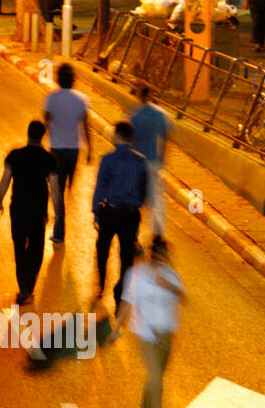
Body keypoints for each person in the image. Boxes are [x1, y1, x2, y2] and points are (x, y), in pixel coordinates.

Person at [108, 242, 186, 408]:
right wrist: (117, 329)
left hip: (166, 334)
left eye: (166, 257)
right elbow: (127, 301)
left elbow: (183, 297)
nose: (164, 260)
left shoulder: (170, 275)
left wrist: (166, 283)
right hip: (146, 334)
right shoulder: (139, 274)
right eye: (160, 256)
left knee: (155, 378)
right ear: (154, 256)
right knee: (155, 380)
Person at [0, 120, 60, 305]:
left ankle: (23, 286)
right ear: (43, 135)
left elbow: (5, 180)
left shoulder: (14, 155)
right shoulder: (49, 159)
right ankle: (29, 286)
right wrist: (57, 211)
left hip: (18, 209)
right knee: (36, 249)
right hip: (38, 211)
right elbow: (54, 188)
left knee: (19, 247)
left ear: (28, 133)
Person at [91, 121, 150, 310]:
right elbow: (145, 191)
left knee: (103, 250)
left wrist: (96, 213)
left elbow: (100, 188)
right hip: (131, 215)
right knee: (127, 256)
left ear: (117, 136)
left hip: (110, 212)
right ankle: (120, 290)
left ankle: (101, 285)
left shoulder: (108, 159)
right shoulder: (141, 161)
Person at [42, 62, 92, 245]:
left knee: (56, 189)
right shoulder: (82, 99)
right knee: (64, 190)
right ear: (73, 80)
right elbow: (86, 125)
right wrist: (90, 150)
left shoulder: (52, 99)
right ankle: (57, 223)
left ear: (57, 79)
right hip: (74, 150)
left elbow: (45, 123)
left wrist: (40, 144)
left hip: (56, 149)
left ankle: (57, 229)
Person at [129, 86, 171, 248]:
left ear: (139, 95)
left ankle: (133, 236)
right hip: (153, 162)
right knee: (157, 201)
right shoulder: (160, 114)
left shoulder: (134, 114)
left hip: (136, 164)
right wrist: (163, 157)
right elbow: (166, 136)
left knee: (135, 201)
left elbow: (129, 138)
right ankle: (158, 235)